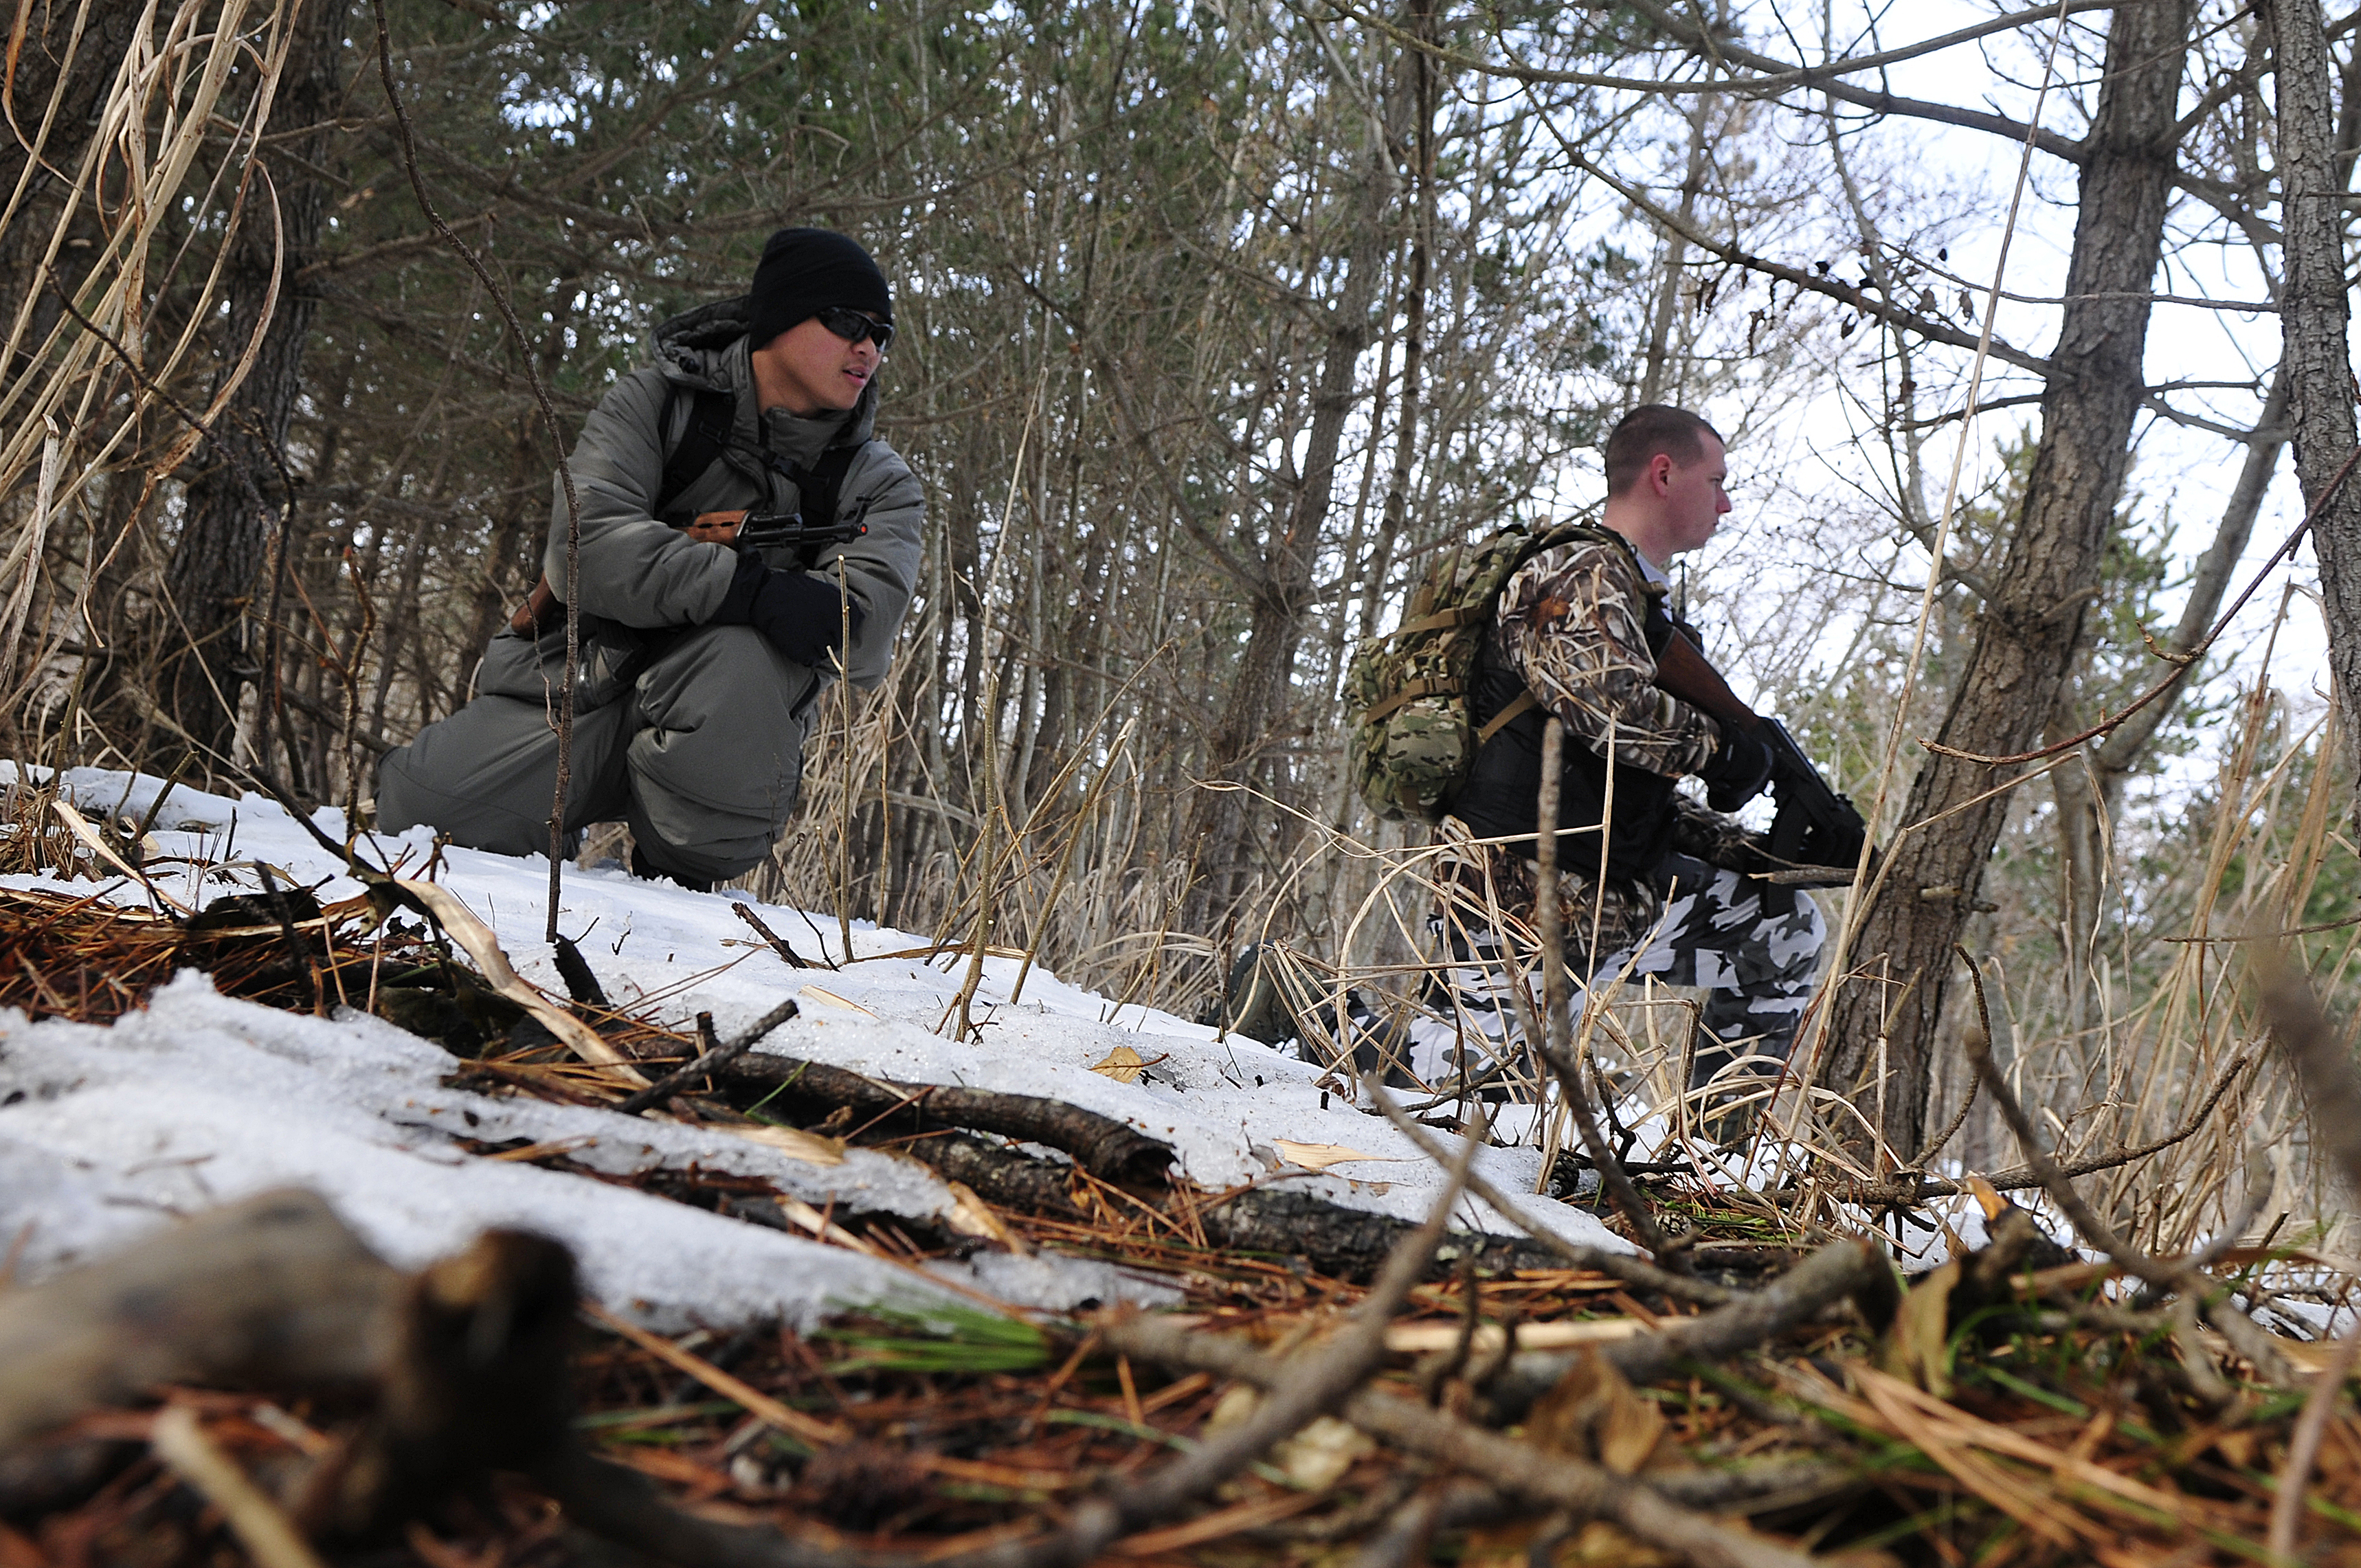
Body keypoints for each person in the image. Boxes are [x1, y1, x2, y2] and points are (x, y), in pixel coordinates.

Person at [376, 229, 924, 890]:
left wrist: (762, 610)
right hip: (583, 681)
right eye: (845, 322)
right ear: (779, 317)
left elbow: (858, 638)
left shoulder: (881, 483)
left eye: (881, 334)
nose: (867, 347)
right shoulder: (655, 405)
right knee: (422, 812)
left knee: (741, 665)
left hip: (720, 722)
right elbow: (584, 549)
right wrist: (748, 589)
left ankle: (676, 888)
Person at [1418, 404, 1824, 1123]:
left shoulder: (1639, 602)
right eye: (1717, 480)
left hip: (1617, 894)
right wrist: (1723, 745)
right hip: (1520, 896)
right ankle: (1298, 1008)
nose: (1727, 501)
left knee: (1785, 929)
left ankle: (1716, 1158)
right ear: (1664, 474)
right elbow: (1607, 710)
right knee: (1468, 1099)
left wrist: (1746, 846)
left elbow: (1626, 781)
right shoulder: (1576, 570)